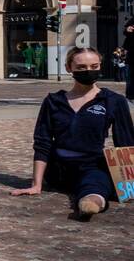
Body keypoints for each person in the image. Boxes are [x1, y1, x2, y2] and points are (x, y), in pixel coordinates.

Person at [10, 46, 134, 216]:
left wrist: (130, 184)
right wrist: (36, 184)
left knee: (95, 186)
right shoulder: (54, 101)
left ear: (100, 66)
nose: (88, 71)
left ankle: (91, 202)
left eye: (94, 66)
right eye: (81, 67)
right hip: (57, 170)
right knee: (84, 182)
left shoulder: (113, 101)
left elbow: (126, 144)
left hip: (91, 166)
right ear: (69, 68)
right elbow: (42, 143)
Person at [123, 20, 134, 100]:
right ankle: (130, 95)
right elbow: (126, 31)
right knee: (130, 77)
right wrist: (128, 30)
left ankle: (130, 95)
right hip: (131, 58)